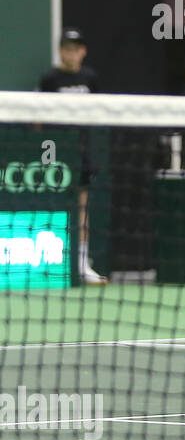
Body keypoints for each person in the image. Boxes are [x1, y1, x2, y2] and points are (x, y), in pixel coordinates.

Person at [37, 29, 105, 284]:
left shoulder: (90, 78)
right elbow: (39, 116)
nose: (71, 53)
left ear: (83, 52)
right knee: (52, 204)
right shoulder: (50, 79)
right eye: (66, 49)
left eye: (76, 49)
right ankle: (52, 261)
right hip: (55, 152)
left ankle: (82, 264)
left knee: (82, 207)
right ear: (60, 51)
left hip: (82, 151)